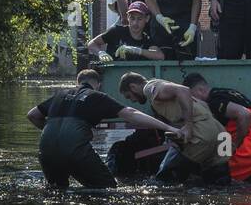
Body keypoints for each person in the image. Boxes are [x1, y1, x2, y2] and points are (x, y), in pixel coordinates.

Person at [28, 69, 178, 189]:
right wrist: (168, 127)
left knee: (56, 190)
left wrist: (52, 135)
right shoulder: (97, 96)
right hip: (74, 147)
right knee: (107, 188)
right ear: (98, 84)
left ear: (77, 83)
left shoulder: (59, 95)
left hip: (46, 147)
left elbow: (32, 115)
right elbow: (131, 114)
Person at [118, 72, 230, 183]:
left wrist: (188, 125)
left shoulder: (150, 87)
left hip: (203, 135)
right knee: (219, 184)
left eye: (129, 96)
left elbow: (183, 90)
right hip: (222, 135)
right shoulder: (166, 91)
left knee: (164, 183)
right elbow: (203, 105)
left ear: (133, 86)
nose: (132, 100)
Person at [182, 73, 251, 183]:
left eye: (192, 98)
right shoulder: (228, 93)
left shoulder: (214, 100)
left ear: (200, 90)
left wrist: (235, 145)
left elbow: (245, 114)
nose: (192, 103)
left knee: (217, 177)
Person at [86, 1, 164, 62]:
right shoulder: (116, 31)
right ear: (128, 18)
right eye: (132, 18)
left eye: (139, 19)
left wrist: (137, 50)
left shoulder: (147, 38)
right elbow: (92, 43)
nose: (135, 23)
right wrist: (100, 53)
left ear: (147, 19)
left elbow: (160, 56)